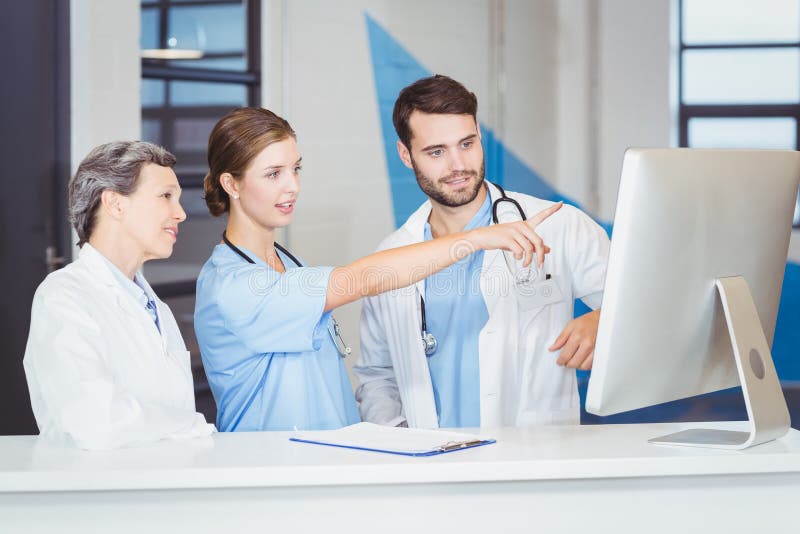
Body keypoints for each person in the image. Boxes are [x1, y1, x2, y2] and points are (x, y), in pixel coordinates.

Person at [194, 107, 561, 432]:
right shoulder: (234, 285)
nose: (293, 186)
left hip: (326, 468)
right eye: (273, 174)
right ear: (231, 184)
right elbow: (360, 279)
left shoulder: (288, 264)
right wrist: (478, 238)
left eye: (296, 169)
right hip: (273, 479)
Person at [354, 75, 611, 428]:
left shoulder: (557, 225)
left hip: (532, 457)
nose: (458, 165)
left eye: (467, 143)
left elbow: (646, 306)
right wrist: (397, 443)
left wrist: (605, 319)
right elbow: (377, 373)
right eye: (436, 152)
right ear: (406, 155)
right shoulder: (394, 255)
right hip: (430, 463)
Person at [23, 141, 215, 450]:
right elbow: (94, 420)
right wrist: (191, 424)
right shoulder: (62, 298)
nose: (180, 214)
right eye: (165, 196)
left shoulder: (155, 308)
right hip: (100, 491)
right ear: (115, 204)